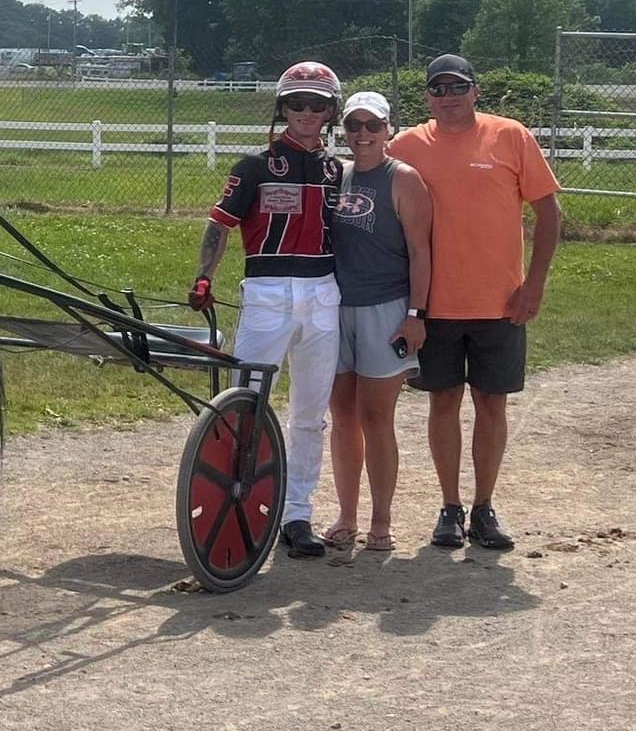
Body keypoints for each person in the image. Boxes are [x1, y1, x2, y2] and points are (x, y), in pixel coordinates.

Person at [393, 54, 562, 553]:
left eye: (457, 87)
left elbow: (549, 213)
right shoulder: (407, 146)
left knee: (492, 403)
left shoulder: (510, 136)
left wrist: (534, 284)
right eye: (438, 89)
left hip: (501, 303)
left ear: (475, 91)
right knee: (443, 402)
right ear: (427, 96)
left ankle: (485, 506)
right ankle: (450, 507)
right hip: (434, 304)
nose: (448, 97)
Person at [190, 62, 344, 558]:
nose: (306, 112)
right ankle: (239, 497)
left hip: (323, 294)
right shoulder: (254, 165)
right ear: (282, 108)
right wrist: (204, 275)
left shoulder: (335, 169)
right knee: (246, 405)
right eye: (296, 103)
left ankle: (297, 514)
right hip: (267, 293)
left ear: (330, 112)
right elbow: (220, 224)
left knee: (310, 415)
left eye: (317, 104)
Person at [322, 91, 432, 556]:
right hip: (335, 309)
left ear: (389, 129)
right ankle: (346, 515)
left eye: (372, 125)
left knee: (376, 417)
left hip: (385, 307)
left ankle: (381, 521)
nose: (362, 134)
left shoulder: (403, 179)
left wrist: (415, 315)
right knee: (343, 417)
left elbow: (422, 253)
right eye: (354, 125)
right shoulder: (337, 176)